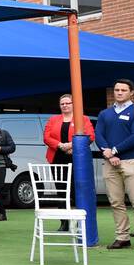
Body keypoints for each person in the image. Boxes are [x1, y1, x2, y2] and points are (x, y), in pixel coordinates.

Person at [97, 79, 134, 251]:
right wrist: (106, 150)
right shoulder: (105, 114)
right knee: (116, 202)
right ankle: (122, 236)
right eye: (117, 90)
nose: (119, 92)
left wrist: (114, 150)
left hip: (131, 161)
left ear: (131, 93)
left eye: (123, 90)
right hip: (109, 162)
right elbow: (98, 134)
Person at [44, 93, 96, 230]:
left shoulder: (83, 119)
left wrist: (72, 145)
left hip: (77, 159)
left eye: (68, 103)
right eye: (62, 104)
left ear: (74, 104)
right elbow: (46, 137)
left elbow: (90, 136)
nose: (65, 106)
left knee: (76, 190)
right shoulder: (53, 119)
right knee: (61, 191)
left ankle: (80, 222)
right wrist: (60, 145)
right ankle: (64, 222)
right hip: (57, 158)